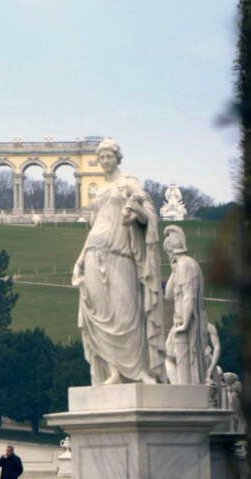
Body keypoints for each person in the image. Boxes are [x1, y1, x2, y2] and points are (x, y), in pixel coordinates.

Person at [71, 137, 165, 385]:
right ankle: (114, 372)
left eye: (109, 156)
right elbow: (95, 226)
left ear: (118, 158)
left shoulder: (128, 182)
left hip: (120, 253)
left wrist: (137, 213)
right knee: (100, 314)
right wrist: (80, 259)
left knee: (126, 313)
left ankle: (139, 370)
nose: (104, 161)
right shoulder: (99, 189)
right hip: (93, 252)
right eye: (101, 157)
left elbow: (148, 212)